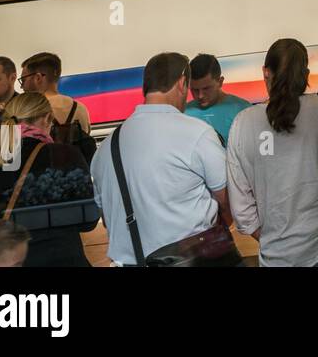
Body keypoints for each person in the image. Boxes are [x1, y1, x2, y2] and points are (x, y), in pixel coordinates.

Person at [226, 38, 318, 267]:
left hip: (280, 256)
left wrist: (277, 239)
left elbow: (242, 210)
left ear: (266, 73)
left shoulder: (244, 123)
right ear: (306, 74)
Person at [90, 52, 234, 266]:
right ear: (183, 83)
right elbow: (227, 199)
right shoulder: (197, 133)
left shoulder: (106, 148)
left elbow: (105, 216)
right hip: (191, 260)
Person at [0, 92, 95, 267]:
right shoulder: (63, 154)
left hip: (9, 260)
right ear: (46, 118)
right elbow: (89, 220)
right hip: (61, 258)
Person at [20, 52, 94, 162]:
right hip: (77, 175)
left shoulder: (30, 110)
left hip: (46, 176)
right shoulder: (81, 109)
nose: (22, 86)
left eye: (23, 80)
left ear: (38, 78)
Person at [183, 54, 252, 145]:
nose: (200, 96)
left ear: (220, 82)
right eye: (195, 90)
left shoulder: (243, 111)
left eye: (206, 88)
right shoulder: (184, 113)